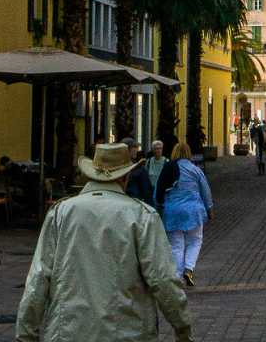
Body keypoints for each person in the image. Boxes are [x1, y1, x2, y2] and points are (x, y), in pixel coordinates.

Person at [14, 142, 192, 342]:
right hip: (128, 333)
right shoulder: (142, 216)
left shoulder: (61, 213)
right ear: (125, 178)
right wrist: (182, 328)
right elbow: (163, 279)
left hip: (67, 332)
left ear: (91, 174)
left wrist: (26, 334)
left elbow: (38, 279)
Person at [155, 141, 213, 287]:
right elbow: (205, 190)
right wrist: (209, 208)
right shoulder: (195, 170)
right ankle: (189, 268)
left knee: (176, 245)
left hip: (172, 211)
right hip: (194, 211)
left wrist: (158, 206)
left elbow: (158, 191)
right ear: (189, 154)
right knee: (195, 240)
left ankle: (177, 276)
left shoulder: (168, 168)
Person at [122, 138, 152, 203]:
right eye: (134, 147)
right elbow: (147, 192)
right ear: (127, 150)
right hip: (134, 203)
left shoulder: (115, 167)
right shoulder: (139, 169)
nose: (136, 150)